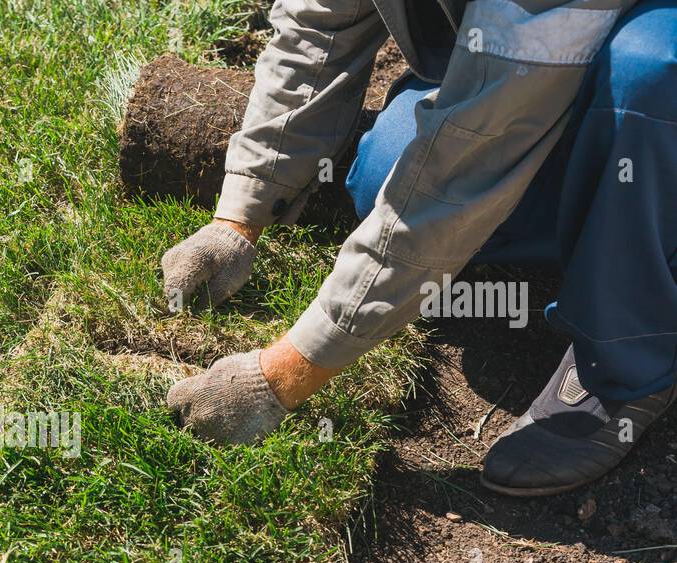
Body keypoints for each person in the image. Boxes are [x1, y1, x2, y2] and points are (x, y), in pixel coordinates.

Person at [161, 0, 676, 496]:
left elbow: (462, 165)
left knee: (649, 72)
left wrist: (278, 378)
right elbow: (318, 25)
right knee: (385, 167)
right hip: (541, 51)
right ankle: (606, 211)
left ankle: (627, 359)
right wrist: (240, 217)